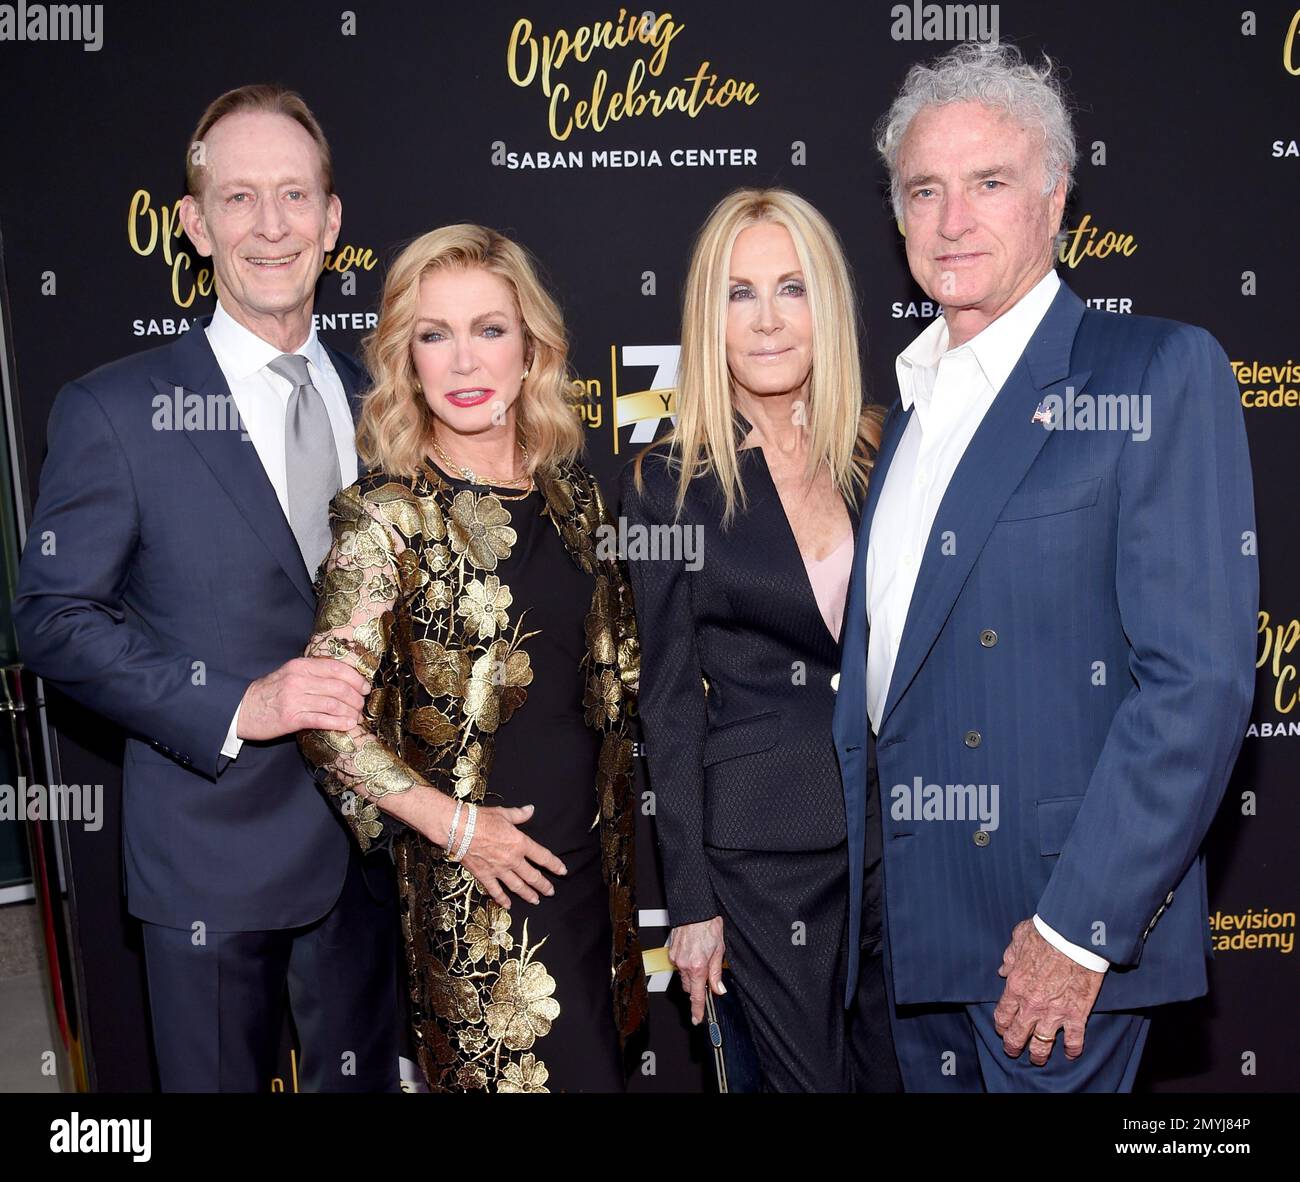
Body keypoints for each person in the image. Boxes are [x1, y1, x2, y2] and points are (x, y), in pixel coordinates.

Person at [833, 42, 1257, 1092]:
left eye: (988, 184)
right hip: (909, 942)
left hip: (1048, 942)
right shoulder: (906, 417)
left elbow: (1196, 682)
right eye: (923, 190)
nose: (951, 219)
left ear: (1054, 199)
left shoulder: (1153, 370)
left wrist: (1077, 933)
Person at [13, 84, 401, 1091]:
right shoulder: (116, 410)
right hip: (208, 863)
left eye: (293, 196)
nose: (270, 227)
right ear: (193, 224)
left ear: (332, 219)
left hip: (375, 861)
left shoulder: (390, 404)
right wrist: (240, 704)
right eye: (237, 199)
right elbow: (52, 619)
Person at [297, 224, 648, 1094]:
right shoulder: (385, 518)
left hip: (596, 884)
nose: (463, 362)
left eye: (489, 329)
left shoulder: (575, 494)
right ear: (405, 357)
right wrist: (457, 830)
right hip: (481, 900)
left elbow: (619, 679)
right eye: (434, 334)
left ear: (531, 349)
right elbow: (326, 722)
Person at [621, 188, 899, 1092]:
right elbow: (664, 702)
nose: (770, 320)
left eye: (792, 288)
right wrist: (690, 902)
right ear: (709, 316)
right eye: (740, 294)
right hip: (763, 854)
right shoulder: (668, 483)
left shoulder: (881, 452)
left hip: (894, 843)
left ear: (828, 303)